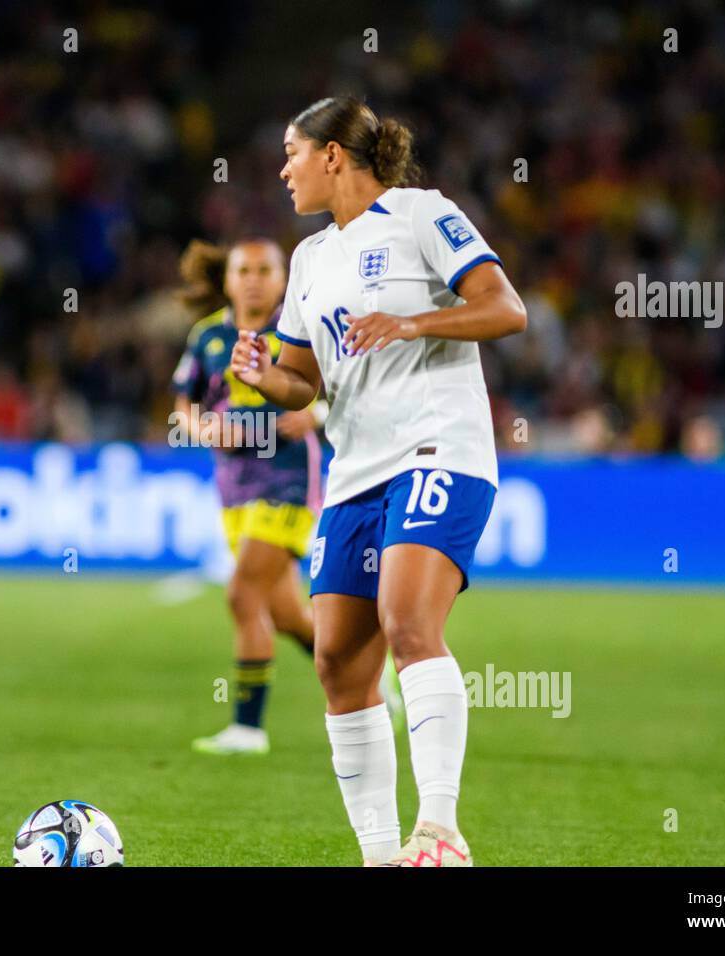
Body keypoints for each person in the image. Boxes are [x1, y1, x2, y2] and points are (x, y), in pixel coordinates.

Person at [232, 97, 526, 865]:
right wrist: (267, 376)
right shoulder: (310, 259)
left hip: (439, 449)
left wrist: (414, 322)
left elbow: (505, 308)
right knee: (335, 661)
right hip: (355, 469)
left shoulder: (423, 215)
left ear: (333, 154)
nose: (282, 168)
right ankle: (380, 854)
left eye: (291, 151)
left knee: (407, 622)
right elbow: (304, 381)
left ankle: (439, 831)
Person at [172, 238, 323, 755]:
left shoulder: (300, 330)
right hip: (234, 489)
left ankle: (247, 729)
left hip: (287, 483)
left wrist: (316, 415)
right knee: (286, 617)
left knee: (241, 595)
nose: (254, 279)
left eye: (265, 269)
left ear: (284, 278)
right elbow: (182, 406)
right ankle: (375, 680)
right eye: (243, 270)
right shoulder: (208, 334)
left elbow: (337, 391)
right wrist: (203, 431)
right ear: (228, 278)